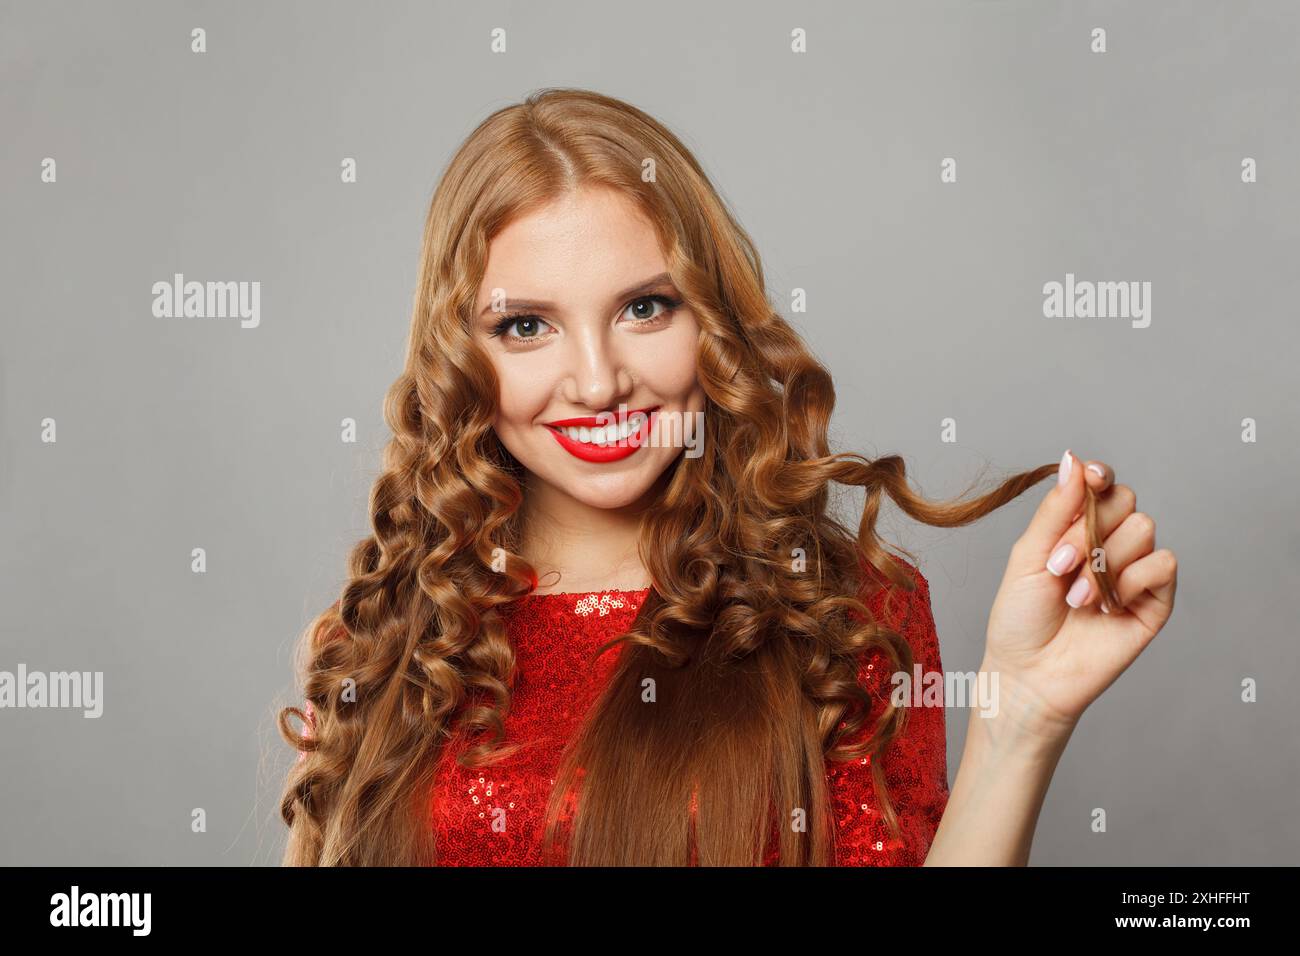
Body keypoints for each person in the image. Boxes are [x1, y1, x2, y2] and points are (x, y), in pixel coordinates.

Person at [279, 88, 1177, 867]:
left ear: (712, 319)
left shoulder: (842, 622)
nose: (596, 381)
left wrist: (1021, 719)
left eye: (644, 307)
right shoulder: (385, 642)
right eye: (526, 327)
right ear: (457, 356)